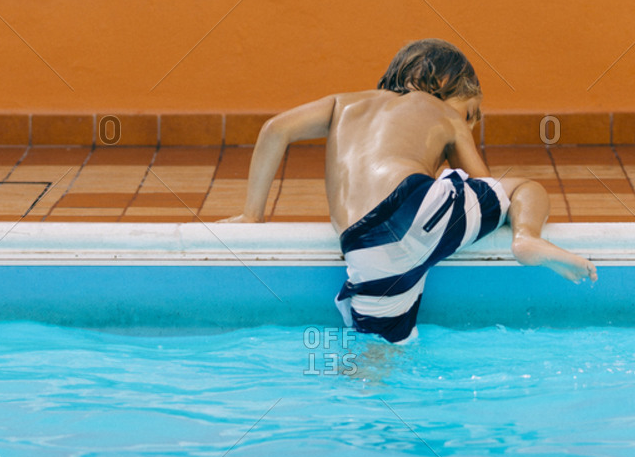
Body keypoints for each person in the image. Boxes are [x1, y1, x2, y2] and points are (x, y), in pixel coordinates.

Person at [220, 38, 597, 341]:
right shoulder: (443, 113)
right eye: (470, 113)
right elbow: (486, 186)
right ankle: (528, 240)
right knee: (522, 188)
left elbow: (274, 130)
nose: (468, 124)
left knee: (377, 359)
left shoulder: (342, 104)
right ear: (444, 88)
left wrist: (253, 214)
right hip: (417, 202)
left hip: (363, 245)